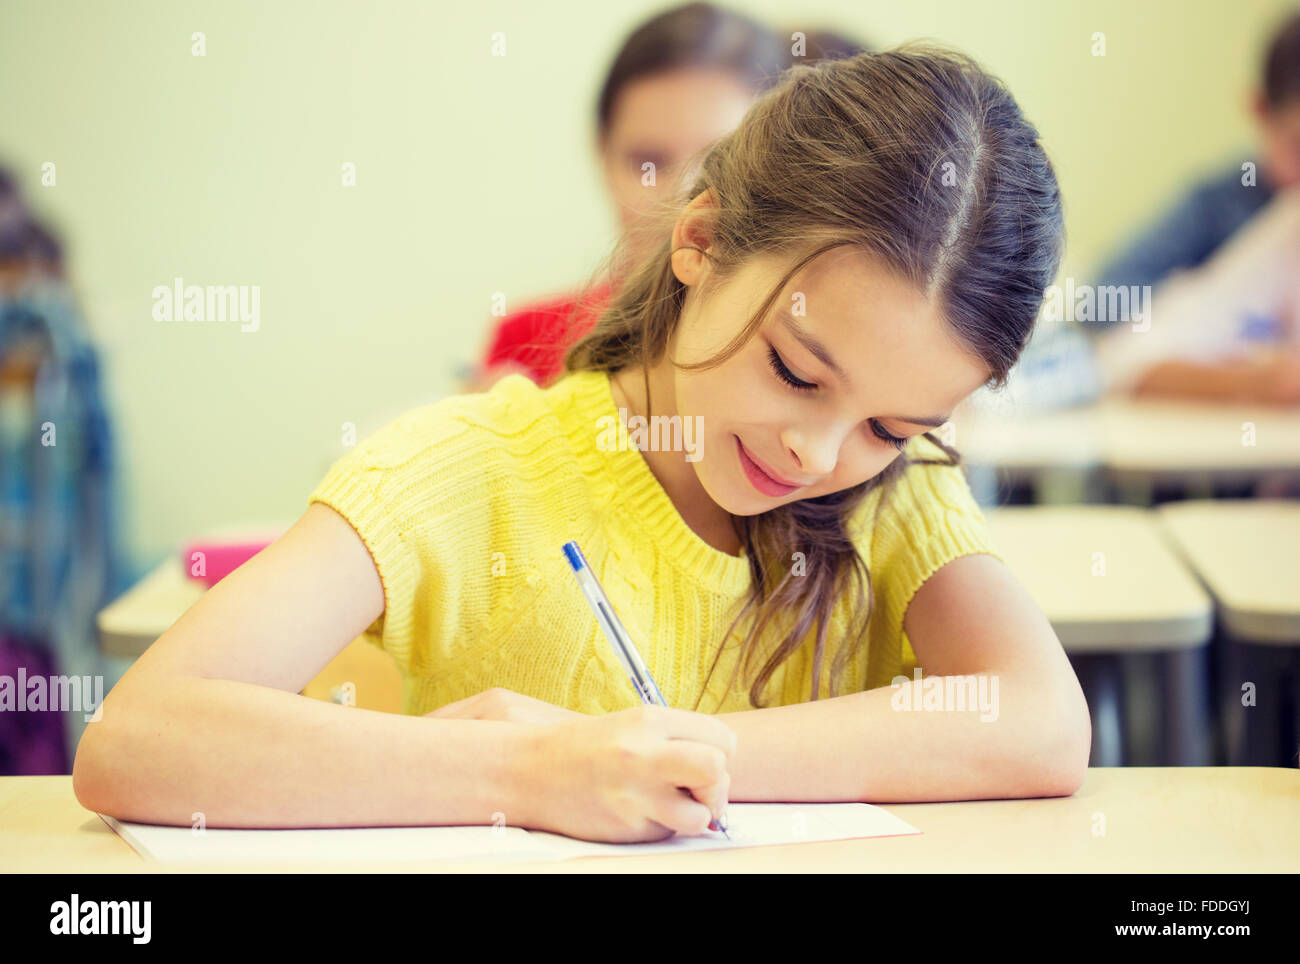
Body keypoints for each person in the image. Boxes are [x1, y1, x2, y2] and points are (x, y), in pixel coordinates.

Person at [74, 46, 1089, 844]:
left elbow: (1043, 722)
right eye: (792, 370)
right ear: (699, 240)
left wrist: (675, 756)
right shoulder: (469, 465)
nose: (821, 455)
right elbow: (137, 739)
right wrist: (531, 774)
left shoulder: (892, 498)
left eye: (891, 425)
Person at [463, 2, 791, 392]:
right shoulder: (527, 341)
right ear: (602, 156)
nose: (682, 197)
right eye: (647, 162)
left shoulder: (799, 356)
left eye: (716, 161)